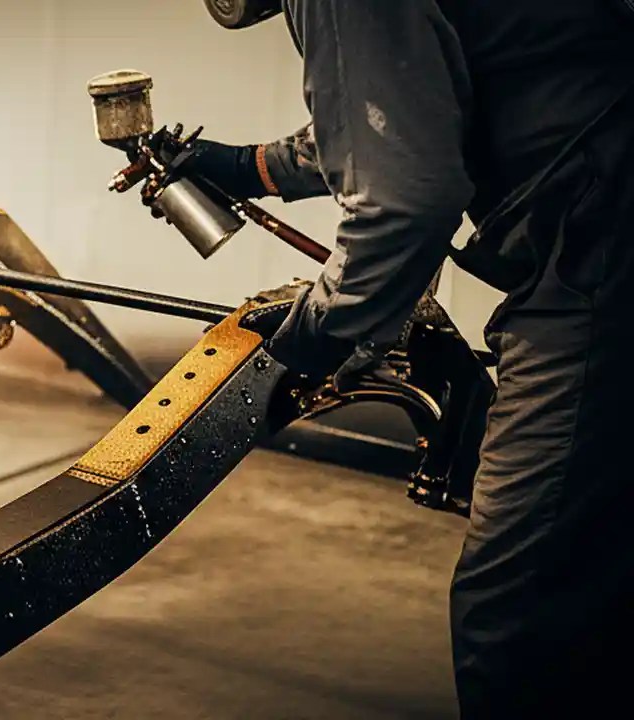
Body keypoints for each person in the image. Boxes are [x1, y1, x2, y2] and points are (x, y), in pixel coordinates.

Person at [186, 1, 634, 717]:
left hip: (601, 257)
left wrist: (309, 341)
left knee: (517, 611)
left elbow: (403, 201)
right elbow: (403, 110)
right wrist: (251, 167)